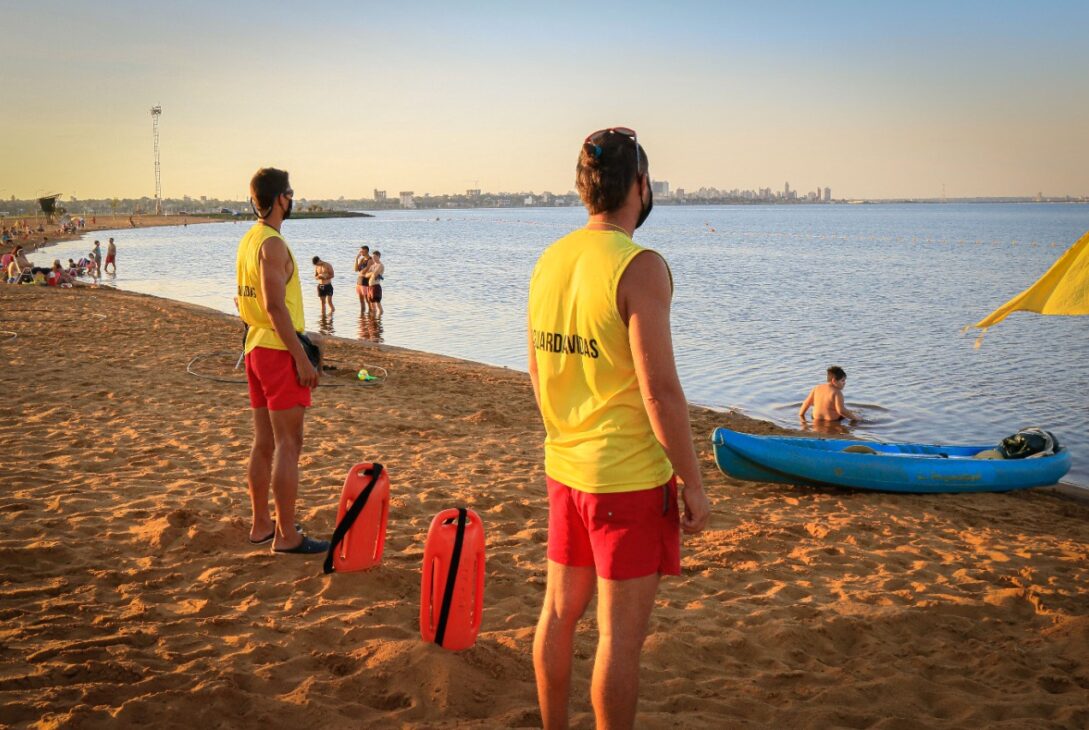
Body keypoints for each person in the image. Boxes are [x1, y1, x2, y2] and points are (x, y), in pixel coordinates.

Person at [527, 127, 710, 730]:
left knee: (559, 615)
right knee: (618, 639)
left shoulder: (551, 260)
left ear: (585, 187)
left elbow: (538, 371)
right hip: (626, 481)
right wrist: (693, 482)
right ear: (640, 185)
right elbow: (660, 393)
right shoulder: (640, 266)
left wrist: (566, 436)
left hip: (566, 468)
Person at [235, 167, 328, 555]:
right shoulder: (272, 244)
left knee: (265, 442)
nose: (293, 200)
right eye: (290, 193)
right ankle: (286, 535)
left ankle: (261, 525)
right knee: (289, 443)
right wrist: (301, 358)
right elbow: (274, 306)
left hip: (256, 346)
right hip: (276, 350)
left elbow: (242, 300)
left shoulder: (250, 239)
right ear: (279, 199)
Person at [364, 251, 384, 316]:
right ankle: (374, 319)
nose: (374, 258)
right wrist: (371, 273)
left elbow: (375, 274)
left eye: (375, 257)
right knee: (372, 303)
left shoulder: (380, 265)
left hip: (376, 286)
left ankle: (379, 318)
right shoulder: (372, 266)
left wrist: (371, 273)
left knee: (378, 303)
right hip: (370, 286)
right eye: (373, 257)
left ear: (379, 257)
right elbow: (366, 275)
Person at [355, 245, 371, 313]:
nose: (360, 253)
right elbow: (356, 269)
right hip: (359, 282)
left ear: (366, 251)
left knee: (368, 300)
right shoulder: (362, 259)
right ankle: (362, 316)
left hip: (365, 282)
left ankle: (371, 315)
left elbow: (364, 271)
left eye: (362, 251)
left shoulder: (370, 260)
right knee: (361, 301)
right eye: (360, 251)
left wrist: (361, 272)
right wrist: (356, 259)